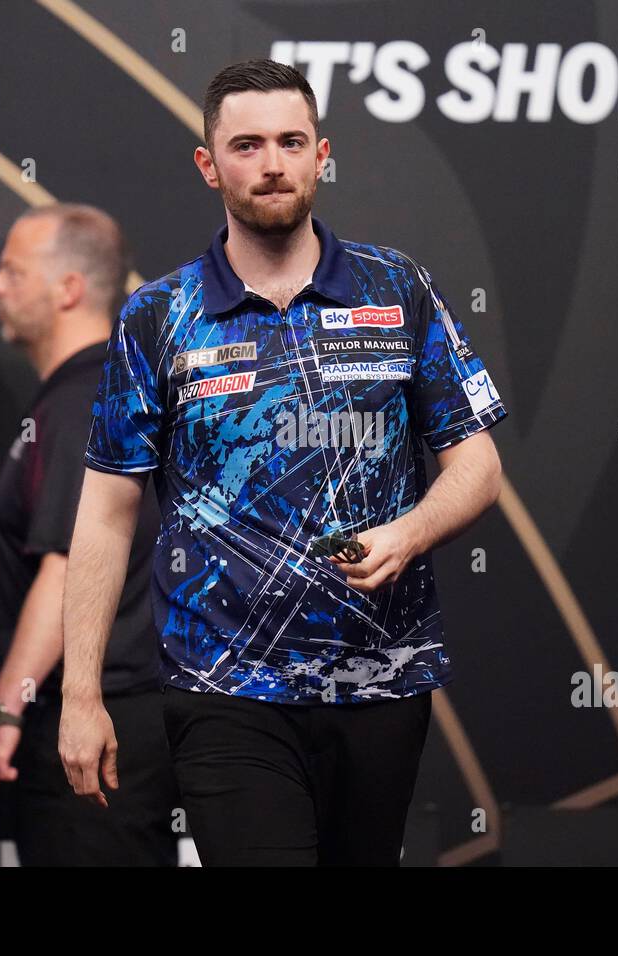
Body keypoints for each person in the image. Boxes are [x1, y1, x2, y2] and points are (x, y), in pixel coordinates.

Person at [60, 58, 506, 865]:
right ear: (209, 164)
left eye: (292, 141)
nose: (272, 163)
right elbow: (105, 512)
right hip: (224, 686)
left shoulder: (396, 288)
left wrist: (408, 535)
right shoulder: (157, 317)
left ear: (321, 153)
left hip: (382, 680)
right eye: (248, 144)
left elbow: (477, 464)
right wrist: (80, 694)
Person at [0, 204, 177, 866]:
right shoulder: (91, 393)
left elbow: (69, 569)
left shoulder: (79, 404)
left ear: (68, 289)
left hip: (93, 725)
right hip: (113, 719)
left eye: (12, 271)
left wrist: (3, 712)